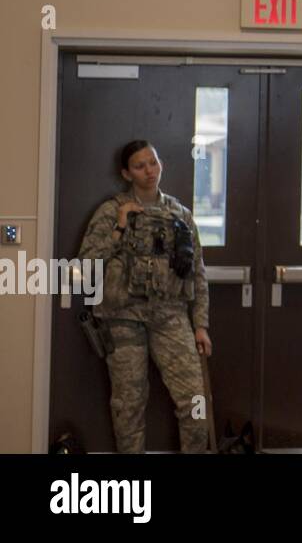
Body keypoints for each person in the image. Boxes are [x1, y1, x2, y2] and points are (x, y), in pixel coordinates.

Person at [78, 140, 212, 453]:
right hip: (123, 318)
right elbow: (86, 264)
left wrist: (201, 325)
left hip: (170, 316)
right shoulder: (111, 211)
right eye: (140, 166)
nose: (150, 171)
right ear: (126, 173)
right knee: (129, 404)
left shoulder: (181, 215)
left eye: (153, 162)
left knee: (196, 400)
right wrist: (120, 227)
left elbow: (198, 273)